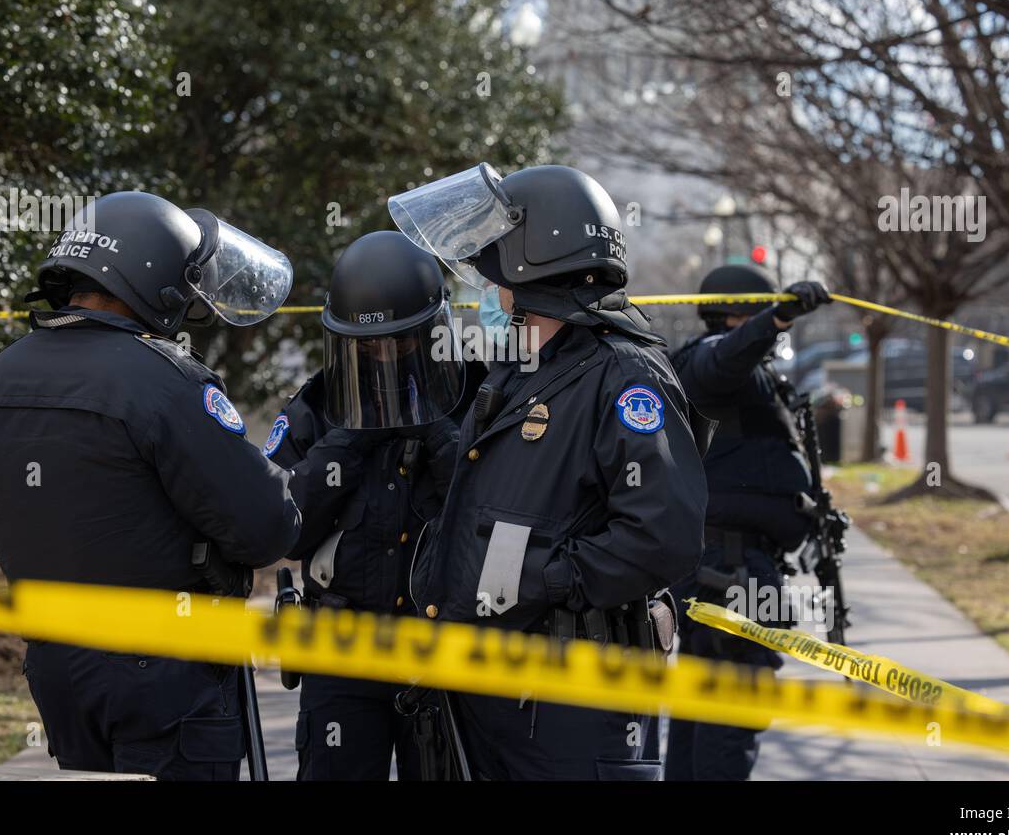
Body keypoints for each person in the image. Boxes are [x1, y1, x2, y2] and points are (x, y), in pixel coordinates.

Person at [0, 190, 300, 780]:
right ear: (154, 282)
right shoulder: (166, 384)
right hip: (163, 667)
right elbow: (267, 529)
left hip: (58, 664)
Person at [388, 163, 709, 780]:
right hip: (498, 694)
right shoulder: (522, 370)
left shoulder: (623, 375)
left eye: (493, 262)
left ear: (536, 258)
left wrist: (547, 577)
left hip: (570, 704)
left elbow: (663, 536)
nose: (486, 282)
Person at [265, 229, 482, 780]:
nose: (384, 358)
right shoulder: (314, 408)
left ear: (432, 334)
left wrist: (439, 435)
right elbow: (279, 528)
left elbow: (494, 518)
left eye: (401, 344)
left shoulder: (479, 401)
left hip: (441, 649)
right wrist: (349, 436)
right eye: (368, 346)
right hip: (342, 650)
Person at [665, 263, 832, 781]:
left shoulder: (750, 373)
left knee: (708, 707)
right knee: (734, 707)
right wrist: (777, 318)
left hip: (736, 561)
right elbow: (723, 361)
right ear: (739, 315)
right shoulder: (706, 359)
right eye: (759, 315)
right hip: (726, 566)